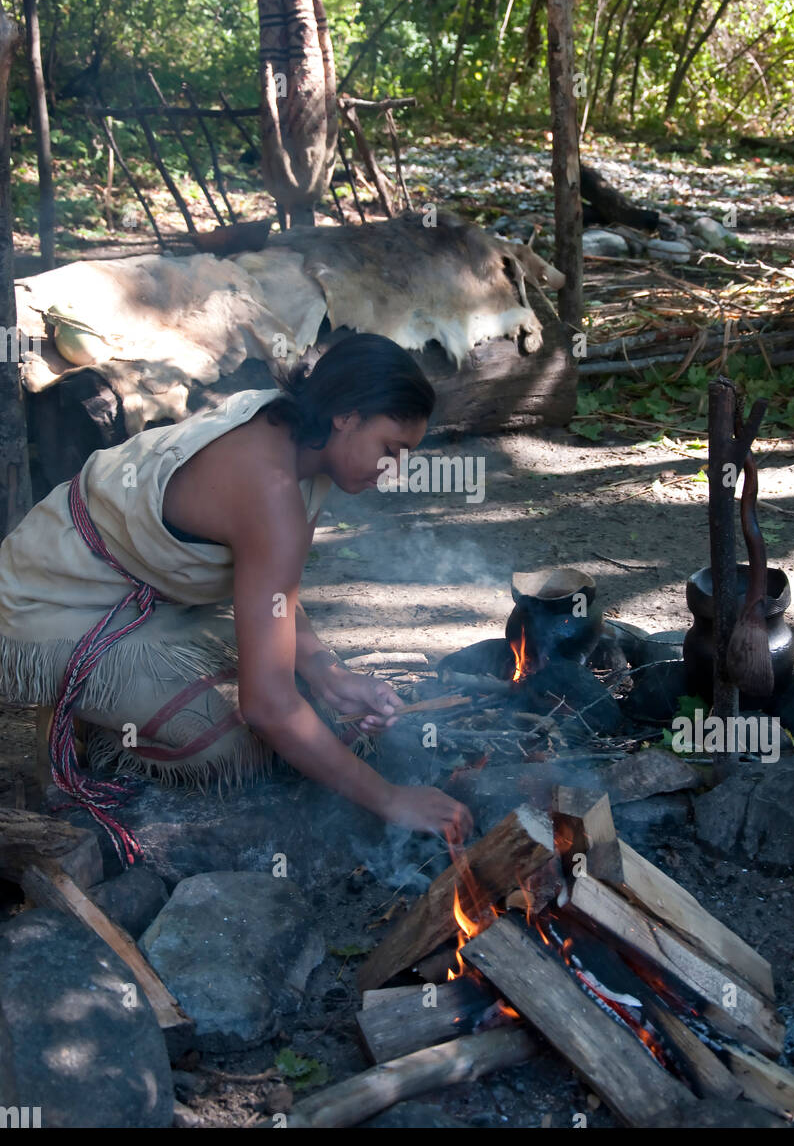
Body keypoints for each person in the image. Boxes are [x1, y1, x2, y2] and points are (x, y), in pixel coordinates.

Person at [0, 333, 473, 865]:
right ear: (346, 415)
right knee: (231, 738)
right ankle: (92, 736)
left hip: (156, 597)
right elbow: (267, 708)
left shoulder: (301, 447)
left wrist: (327, 671)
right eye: (391, 450)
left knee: (315, 705)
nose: (395, 470)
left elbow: (280, 595)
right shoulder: (268, 486)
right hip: (53, 601)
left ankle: (126, 695)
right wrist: (390, 800)